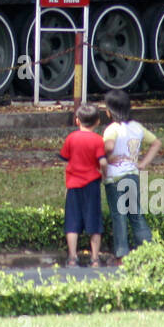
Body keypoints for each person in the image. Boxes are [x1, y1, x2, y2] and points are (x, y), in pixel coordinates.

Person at [100, 89, 161, 264]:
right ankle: (147, 250)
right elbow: (156, 143)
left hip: (114, 178)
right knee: (136, 214)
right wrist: (142, 164)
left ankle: (121, 253)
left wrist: (104, 156)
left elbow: (109, 146)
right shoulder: (137, 127)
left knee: (119, 215)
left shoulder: (112, 129)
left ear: (109, 111)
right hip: (132, 176)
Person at [59, 102, 108, 267]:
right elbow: (102, 161)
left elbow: (66, 157)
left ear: (77, 120)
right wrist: (104, 173)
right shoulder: (98, 140)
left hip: (73, 184)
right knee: (94, 220)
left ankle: (72, 257)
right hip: (92, 185)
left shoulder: (71, 138)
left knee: (72, 221)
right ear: (97, 122)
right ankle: (95, 258)